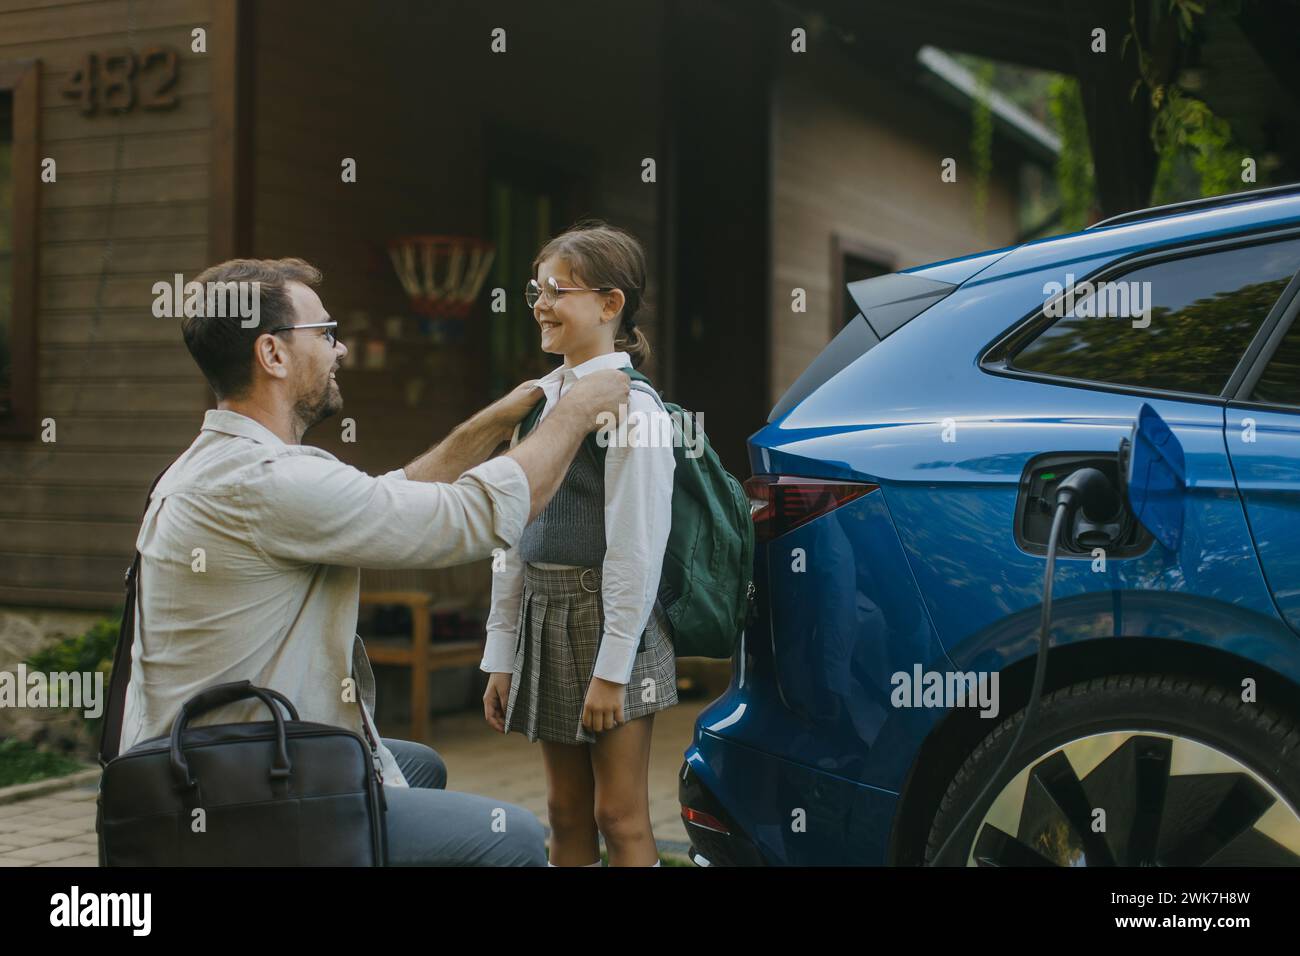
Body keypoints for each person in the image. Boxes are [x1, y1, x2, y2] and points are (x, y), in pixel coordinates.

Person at [119, 256, 629, 866]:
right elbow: (474, 518)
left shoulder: (229, 462)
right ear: (273, 356)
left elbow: (395, 495)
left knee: (417, 765)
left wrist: (495, 421)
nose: (341, 351)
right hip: (233, 793)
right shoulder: (266, 481)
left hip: (211, 760)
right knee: (512, 837)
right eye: (326, 334)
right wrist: (575, 412)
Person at [481, 221, 677, 867]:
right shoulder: (537, 403)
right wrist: (500, 652)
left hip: (610, 623)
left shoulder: (635, 409)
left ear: (609, 303)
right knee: (564, 811)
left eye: (555, 291)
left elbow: (637, 546)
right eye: (535, 290)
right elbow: (514, 530)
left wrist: (613, 670)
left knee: (616, 816)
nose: (539, 305)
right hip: (543, 614)